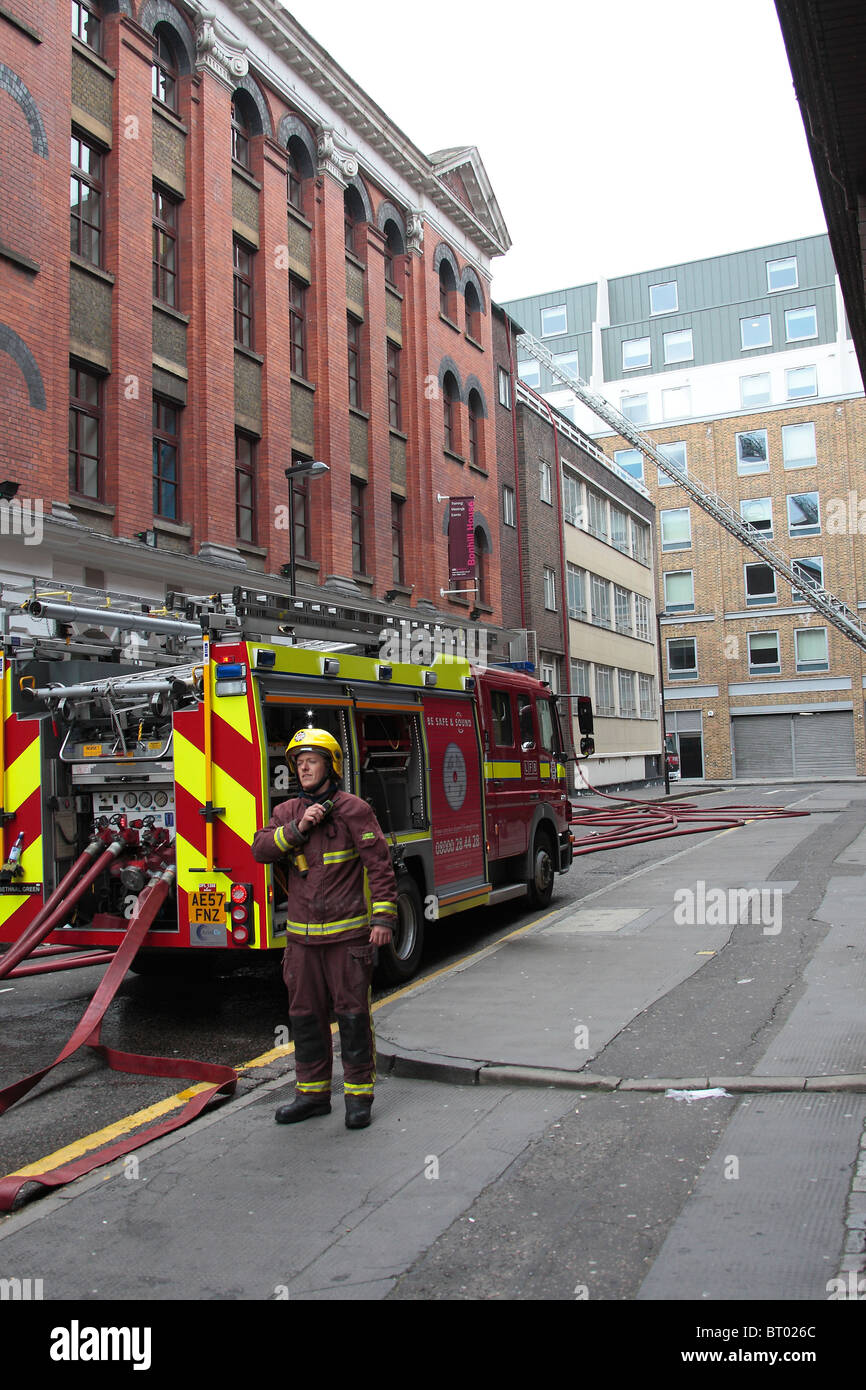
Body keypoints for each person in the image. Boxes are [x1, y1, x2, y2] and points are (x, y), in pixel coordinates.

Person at [252, 728, 397, 1129]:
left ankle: (358, 1097)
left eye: (311, 761)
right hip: (301, 944)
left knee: (352, 1016)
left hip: (348, 940)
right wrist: (300, 827)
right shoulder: (286, 813)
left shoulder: (354, 810)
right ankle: (312, 1096)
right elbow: (260, 849)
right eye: (298, 762)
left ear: (330, 766)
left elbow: (379, 867)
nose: (303, 768)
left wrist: (383, 918)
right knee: (304, 1017)